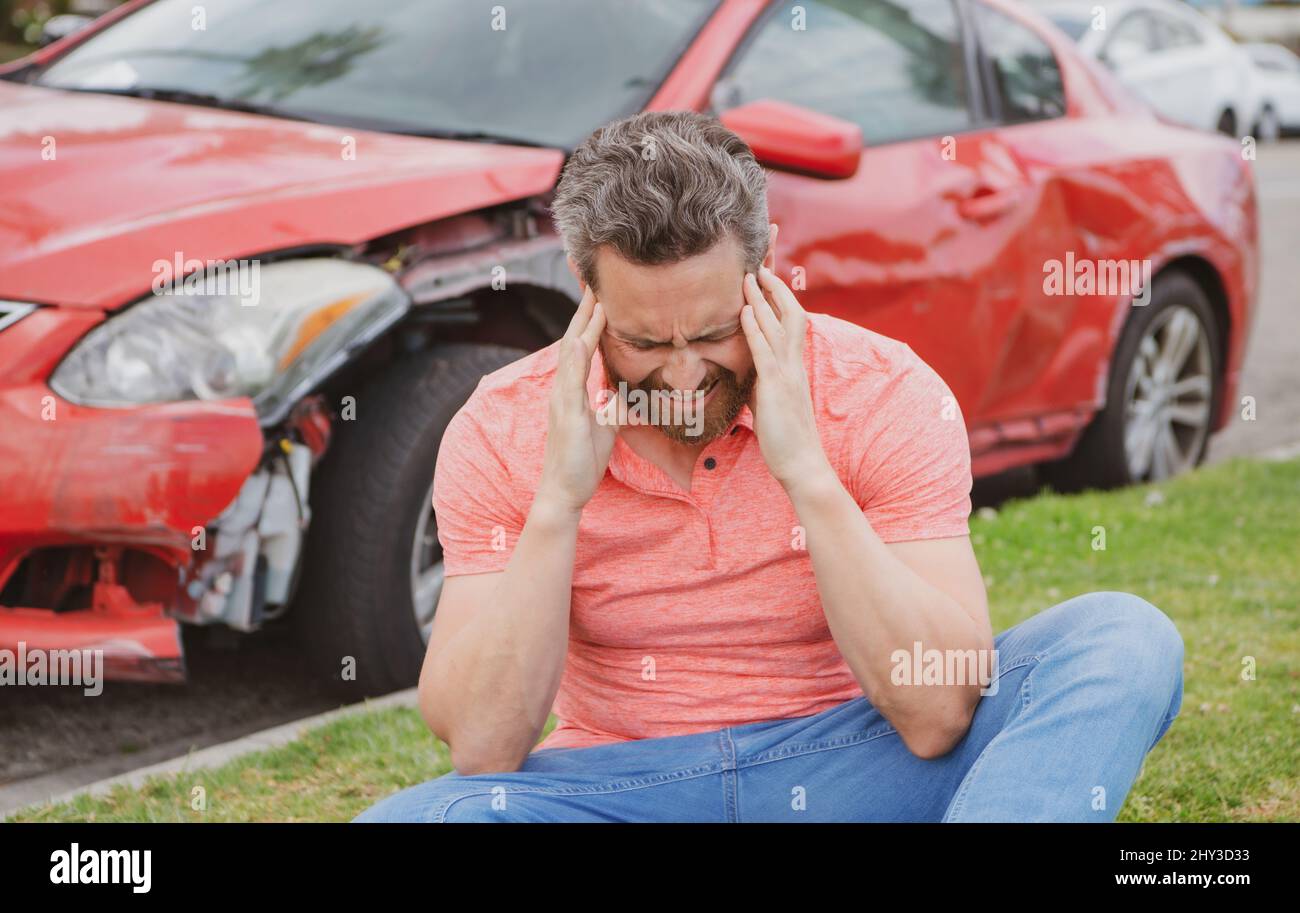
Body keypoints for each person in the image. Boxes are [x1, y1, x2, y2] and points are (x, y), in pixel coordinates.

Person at [353, 110, 1183, 823]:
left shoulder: (884, 391)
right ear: (584, 285)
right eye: (644, 341)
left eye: (714, 332)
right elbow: (485, 742)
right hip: (628, 788)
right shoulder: (501, 425)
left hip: (856, 766)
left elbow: (937, 712)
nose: (681, 376)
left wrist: (808, 473)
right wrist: (557, 502)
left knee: (1121, 637)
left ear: (767, 263)